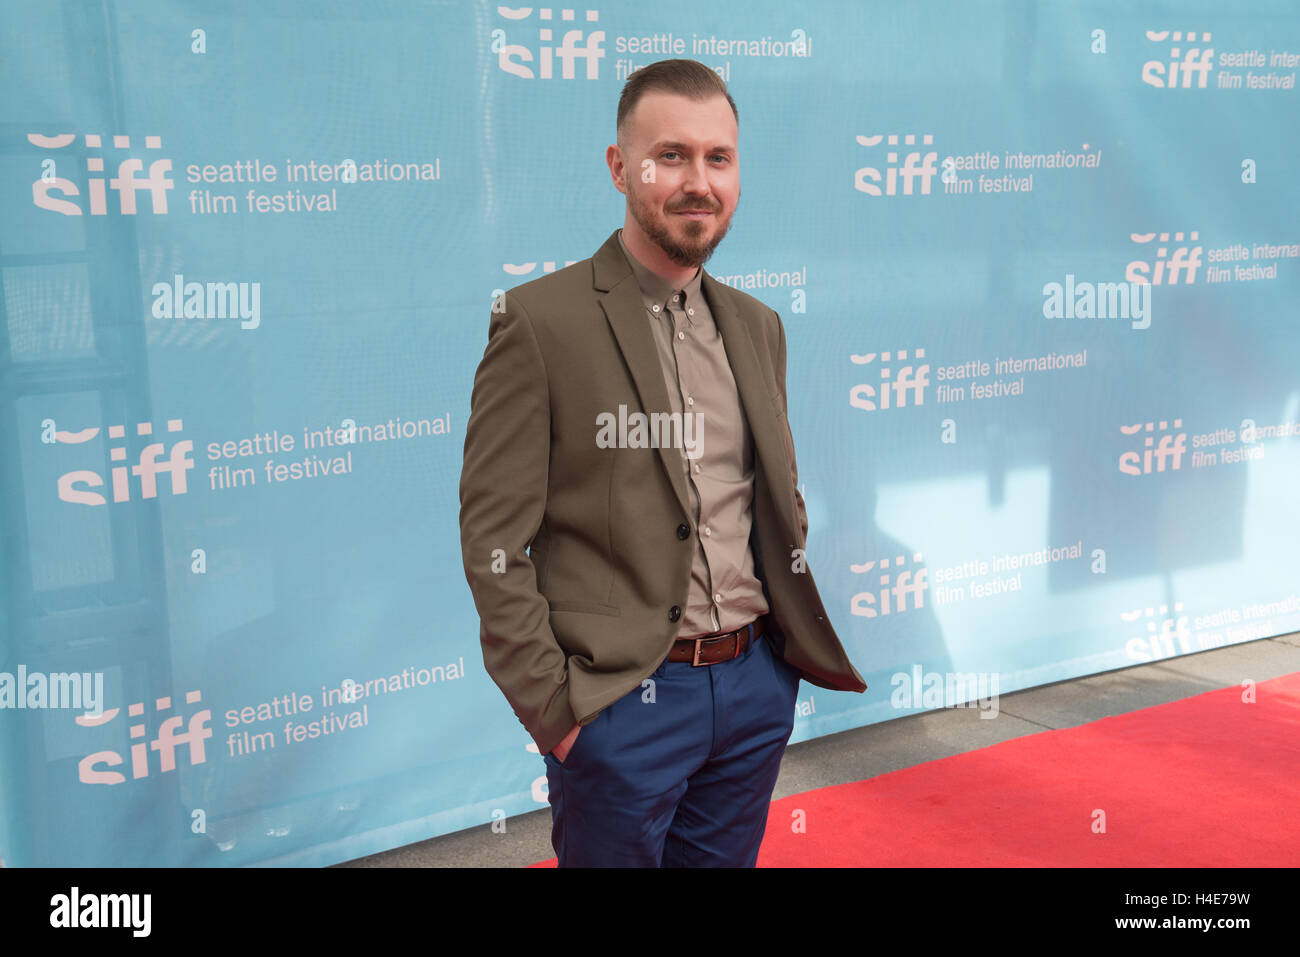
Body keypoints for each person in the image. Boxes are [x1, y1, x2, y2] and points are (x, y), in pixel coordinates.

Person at [459, 58, 865, 867]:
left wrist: (771, 675)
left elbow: (769, 494)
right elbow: (493, 548)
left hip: (751, 689)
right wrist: (561, 715)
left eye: (718, 158)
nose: (698, 182)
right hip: (621, 706)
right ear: (620, 167)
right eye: (670, 155)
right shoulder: (541, 323)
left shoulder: (757, 325)